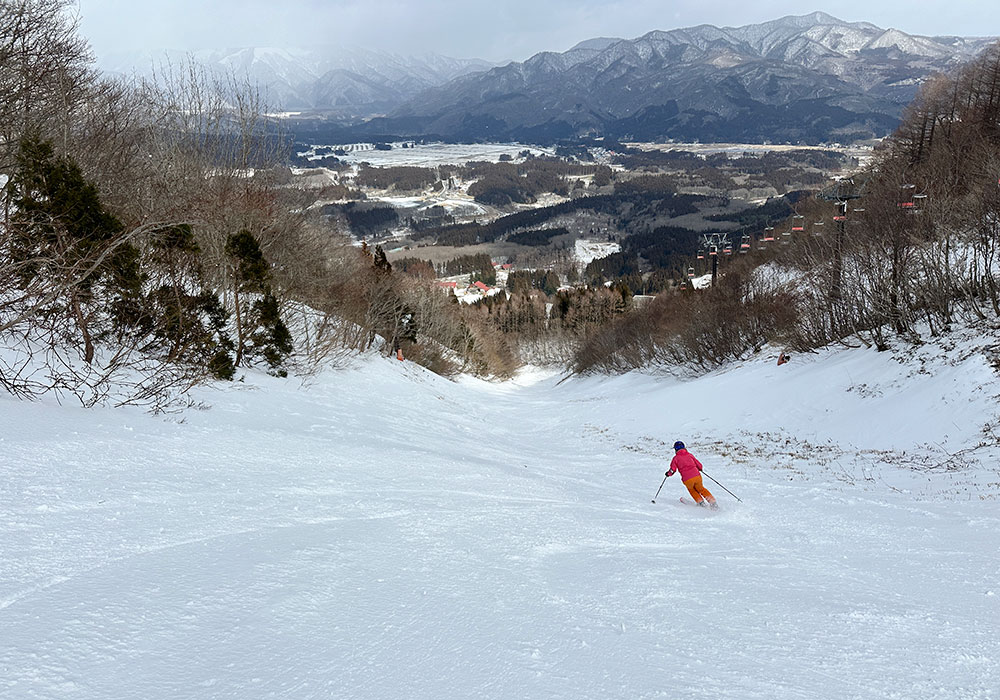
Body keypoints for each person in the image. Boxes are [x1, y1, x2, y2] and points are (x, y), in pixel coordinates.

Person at [666, 441, 717, 509]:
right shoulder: (689, 455)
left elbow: (672, 470)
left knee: (692, 490)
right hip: (697, 476)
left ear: (675, 449)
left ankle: (701, 503)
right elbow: (699, 465)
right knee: (701, 489)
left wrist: (668, 474)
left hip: (687, 479)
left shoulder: (675, 458)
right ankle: (713, 503)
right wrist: (699, 469)